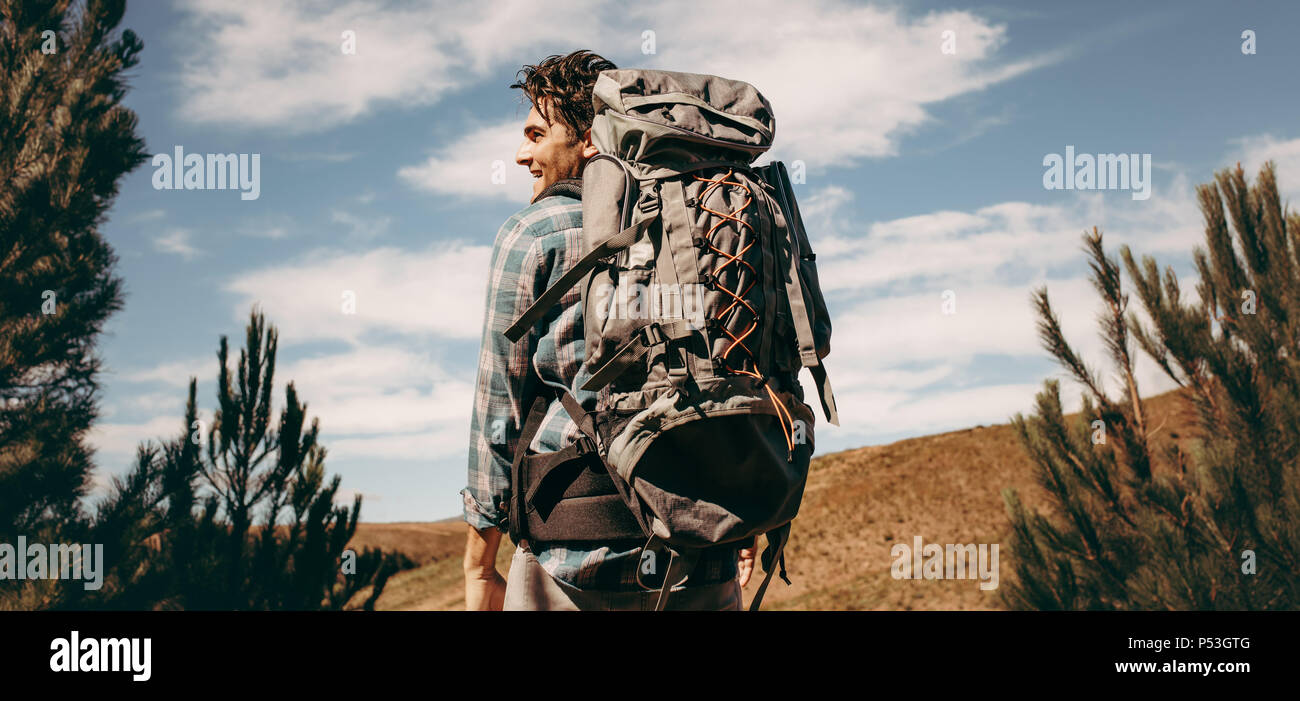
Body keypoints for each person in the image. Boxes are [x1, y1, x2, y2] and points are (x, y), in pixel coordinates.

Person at [460, 50, 755, 611]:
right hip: (703, 546)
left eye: (537, 134)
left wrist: (479, 563)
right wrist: (745, 515)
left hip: (574, 557)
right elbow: (741, 366)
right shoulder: (703, 224)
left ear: (589, 141)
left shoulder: (535, 232)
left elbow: (499, 407)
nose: (522, 154)